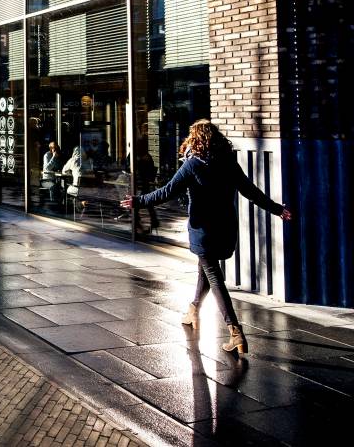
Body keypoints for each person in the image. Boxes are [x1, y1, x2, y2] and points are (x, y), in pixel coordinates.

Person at [121, 120, 292, 356]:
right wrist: (277, 209)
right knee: (205, 269)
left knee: (213, 276)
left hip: (204, 231)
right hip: (226, 229)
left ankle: (235, 331)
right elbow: (251, 191)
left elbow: (167, 192)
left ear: (196, 140)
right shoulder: (228, 163)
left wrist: (138, 201)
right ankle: (193, 310)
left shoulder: (193, 165)